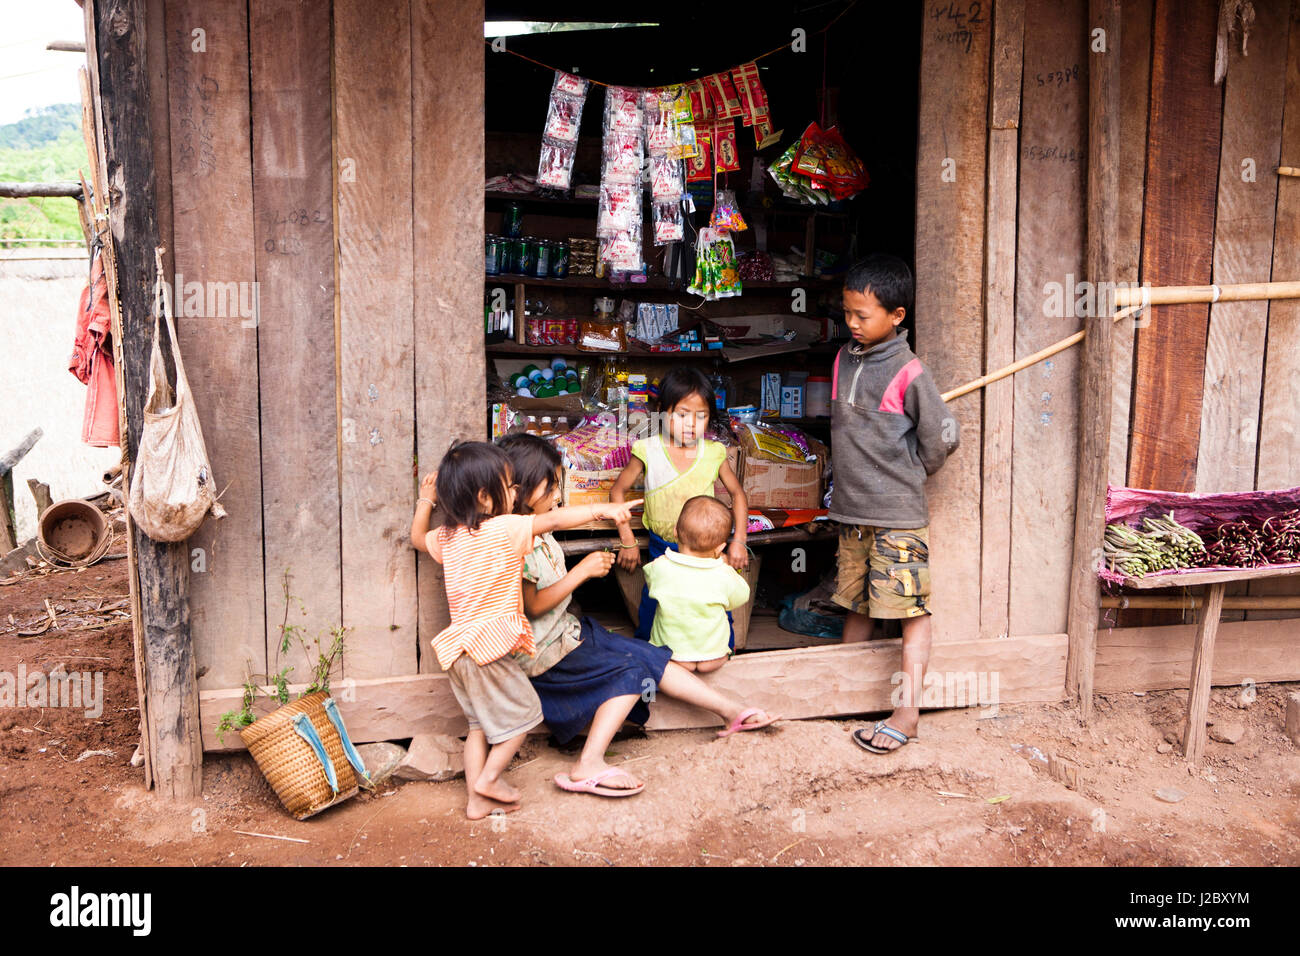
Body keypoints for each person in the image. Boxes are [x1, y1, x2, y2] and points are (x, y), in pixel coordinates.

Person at [498, 434, 779, 798]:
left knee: (648, 653)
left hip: (566, 633)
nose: (558, 495)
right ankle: (588, 764)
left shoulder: (538, 524)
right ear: (521, 489)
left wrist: (609, 514)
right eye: (551, 485)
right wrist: (580, 572)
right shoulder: (512, 540)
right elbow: (532, 607)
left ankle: (732, 712)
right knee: (632, 671)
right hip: (544, 656)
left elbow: (566, 519)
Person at [409, 441, 639, 819]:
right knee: (525, 716)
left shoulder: (448, 536)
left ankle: (476, 800)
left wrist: (425, 501)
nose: (515, 492)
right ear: (485, 497)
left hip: (457, 651)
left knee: (478, 726)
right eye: (509, 485)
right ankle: (490, 780)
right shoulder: (504, 528)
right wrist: (606, 509)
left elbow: (418, 538)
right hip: (490, 649)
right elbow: (553, 521)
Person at [830, 253, 959, 754]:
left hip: (897, 514)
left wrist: (910, 471)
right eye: (848, 313)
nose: (853, 324)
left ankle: (907, 714)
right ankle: (839, 694)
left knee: (909, 609)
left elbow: (943, 436)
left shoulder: (909, 371)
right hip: (852, 511)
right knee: (855, 602)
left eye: (864, 315)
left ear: (897, 316)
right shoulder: (843, 358)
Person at [610, 366, 748, 643]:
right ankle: (651, 659)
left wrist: (739, 541)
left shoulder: (714, 453)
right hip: (662, 546)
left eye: (701, 416)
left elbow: (738, 495)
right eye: (682, 415)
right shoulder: (647, 449)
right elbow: (617, 492)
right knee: (655, 604)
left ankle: (721, 653)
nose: (691, 424)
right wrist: (627, 539)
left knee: (715, 604)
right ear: (662, 411)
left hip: (708, 550)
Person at [643, 496, 750, 672]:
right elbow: (740, 597)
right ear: (721, 547)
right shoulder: (723, 573)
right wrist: (726, 565)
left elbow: (652, 586)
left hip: (672, 655)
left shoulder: (660, 566)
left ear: (675, 531)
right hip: (712, 656)